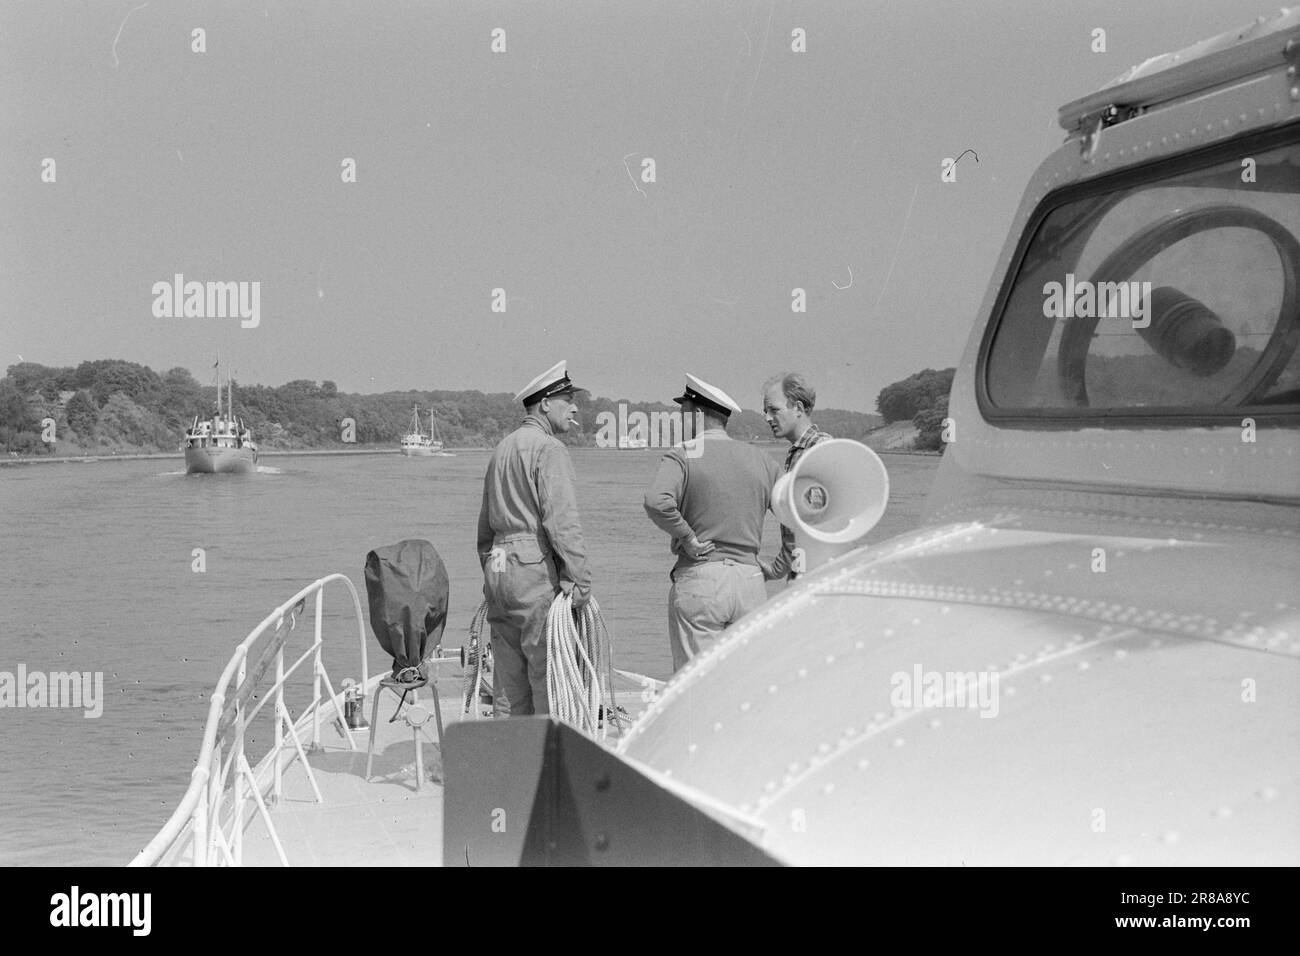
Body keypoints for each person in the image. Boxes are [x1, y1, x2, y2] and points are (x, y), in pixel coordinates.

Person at [477, 360, 592, 716]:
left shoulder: (502, 448)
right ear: (545, 404)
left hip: (498, 568)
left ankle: (511, 766)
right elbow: (562, 522)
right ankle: (549, 765)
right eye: (568, 399)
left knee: (508, 686)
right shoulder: (549, 449)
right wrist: (580, 580)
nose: (575, 408)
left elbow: (484, 529)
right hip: (533, 570)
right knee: (550, 678)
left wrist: (494, 565)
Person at [644, 374, 781, 672]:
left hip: (701, 580)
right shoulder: (762, 460)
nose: (681, 418)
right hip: (750, 583)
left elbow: (657, 501)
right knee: (744, 684)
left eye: (684, 411)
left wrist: (687, 536)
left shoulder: (684, 453)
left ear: (697, 413)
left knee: (695, 686)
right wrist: (779, 566)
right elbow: (796, 515)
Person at [759, 372, 833, 582]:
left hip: (814, 576)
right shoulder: (803, 449)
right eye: (765, 411)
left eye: (774, 410)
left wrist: (777, 570)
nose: (767, 418)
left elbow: (806, 522)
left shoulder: (817, 450)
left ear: (799, 409)